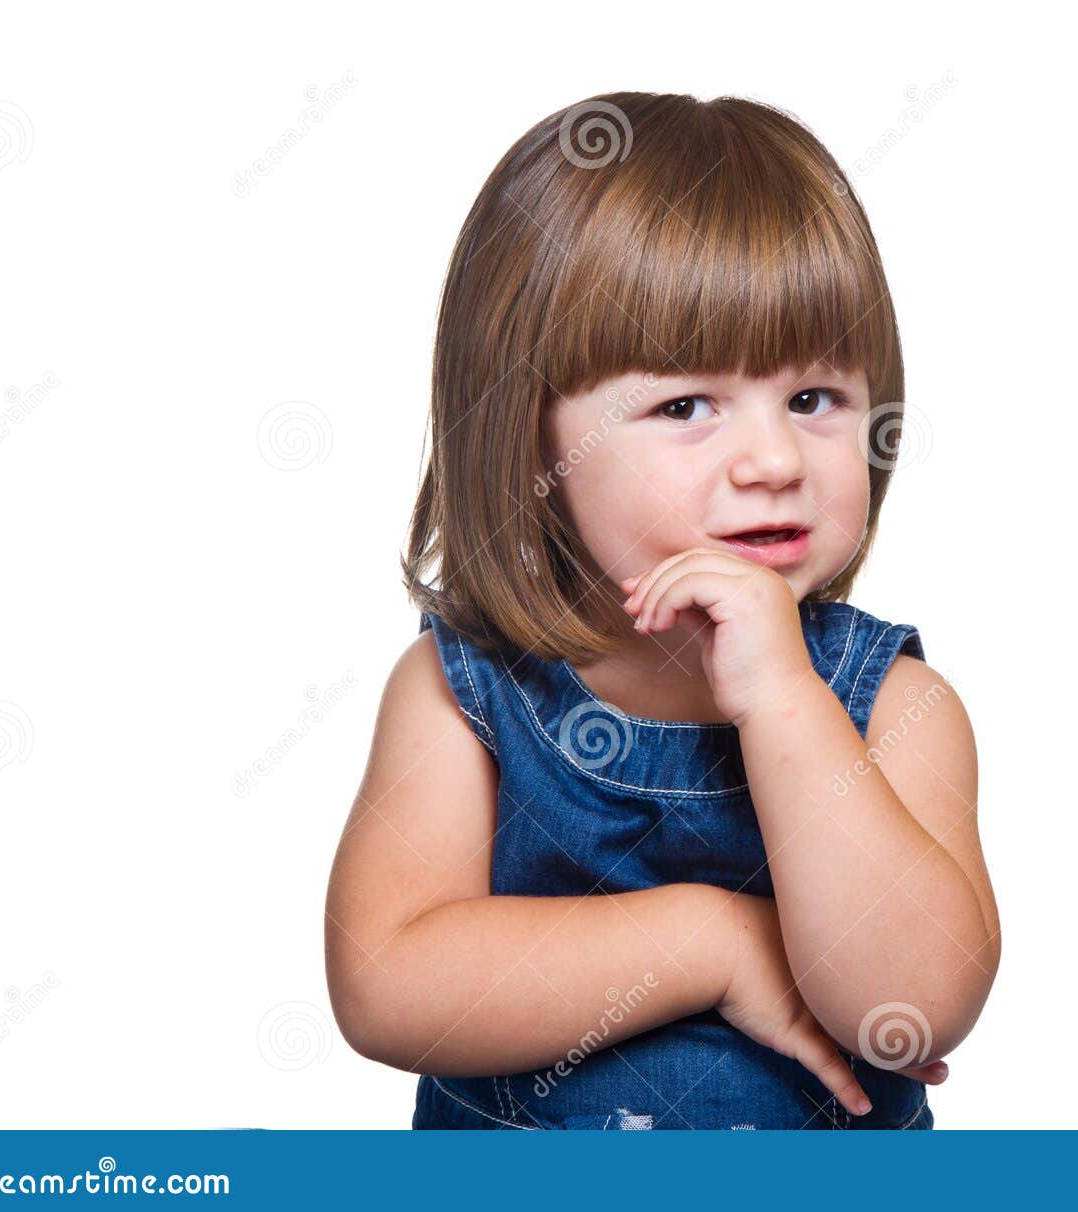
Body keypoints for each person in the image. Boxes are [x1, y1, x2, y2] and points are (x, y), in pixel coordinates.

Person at [324, 90, 1000, 1130]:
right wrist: (712, 942)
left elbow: (911, 1009)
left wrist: (785, 701)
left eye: (813, 398)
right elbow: (384, 988)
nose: (774, 460)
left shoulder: (896, 706)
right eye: (685, 405)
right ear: (532, 439)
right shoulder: (464, 695)